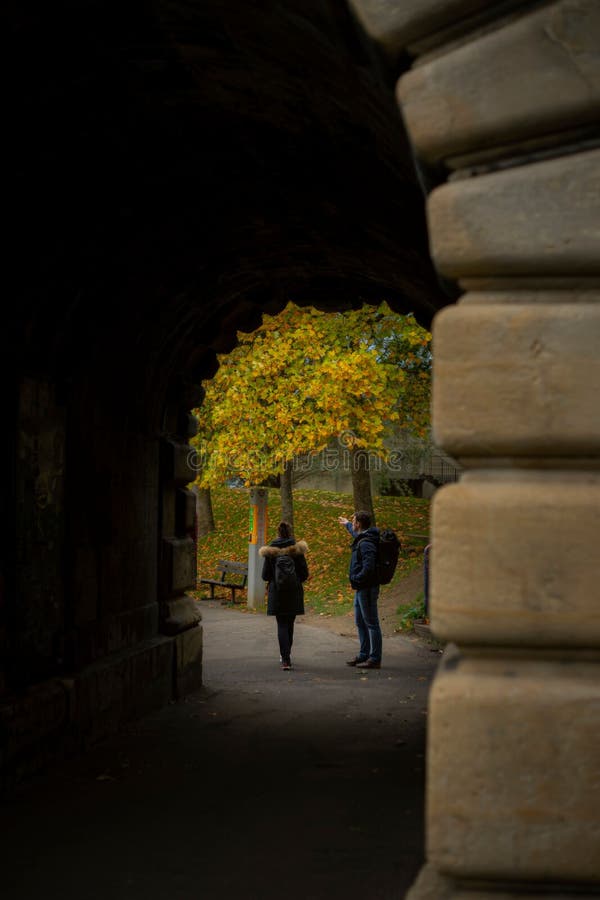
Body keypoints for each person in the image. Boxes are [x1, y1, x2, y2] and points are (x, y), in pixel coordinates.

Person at [259, 522, 309, 671]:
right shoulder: (297, 549)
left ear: (278, 533)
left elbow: (264, 575)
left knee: (281, 624)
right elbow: (305, 574)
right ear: (290, 532)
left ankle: (285, 659)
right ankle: (287, 654)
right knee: (290, 623)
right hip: (294, 592)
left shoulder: (271, 552)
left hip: (277, 592)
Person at [338, 511, 382, 669]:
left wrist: (357, 578)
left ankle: (375, 658)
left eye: (353, 521)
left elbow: (369, 567)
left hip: (367, 587)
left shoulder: (366, 542)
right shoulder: (363, 537)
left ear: (359, 524)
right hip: (361, 588)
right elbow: (354, 532)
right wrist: (346, 525)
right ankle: (364, 655)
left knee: (371, 622)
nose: (352, 522)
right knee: (360, 621)